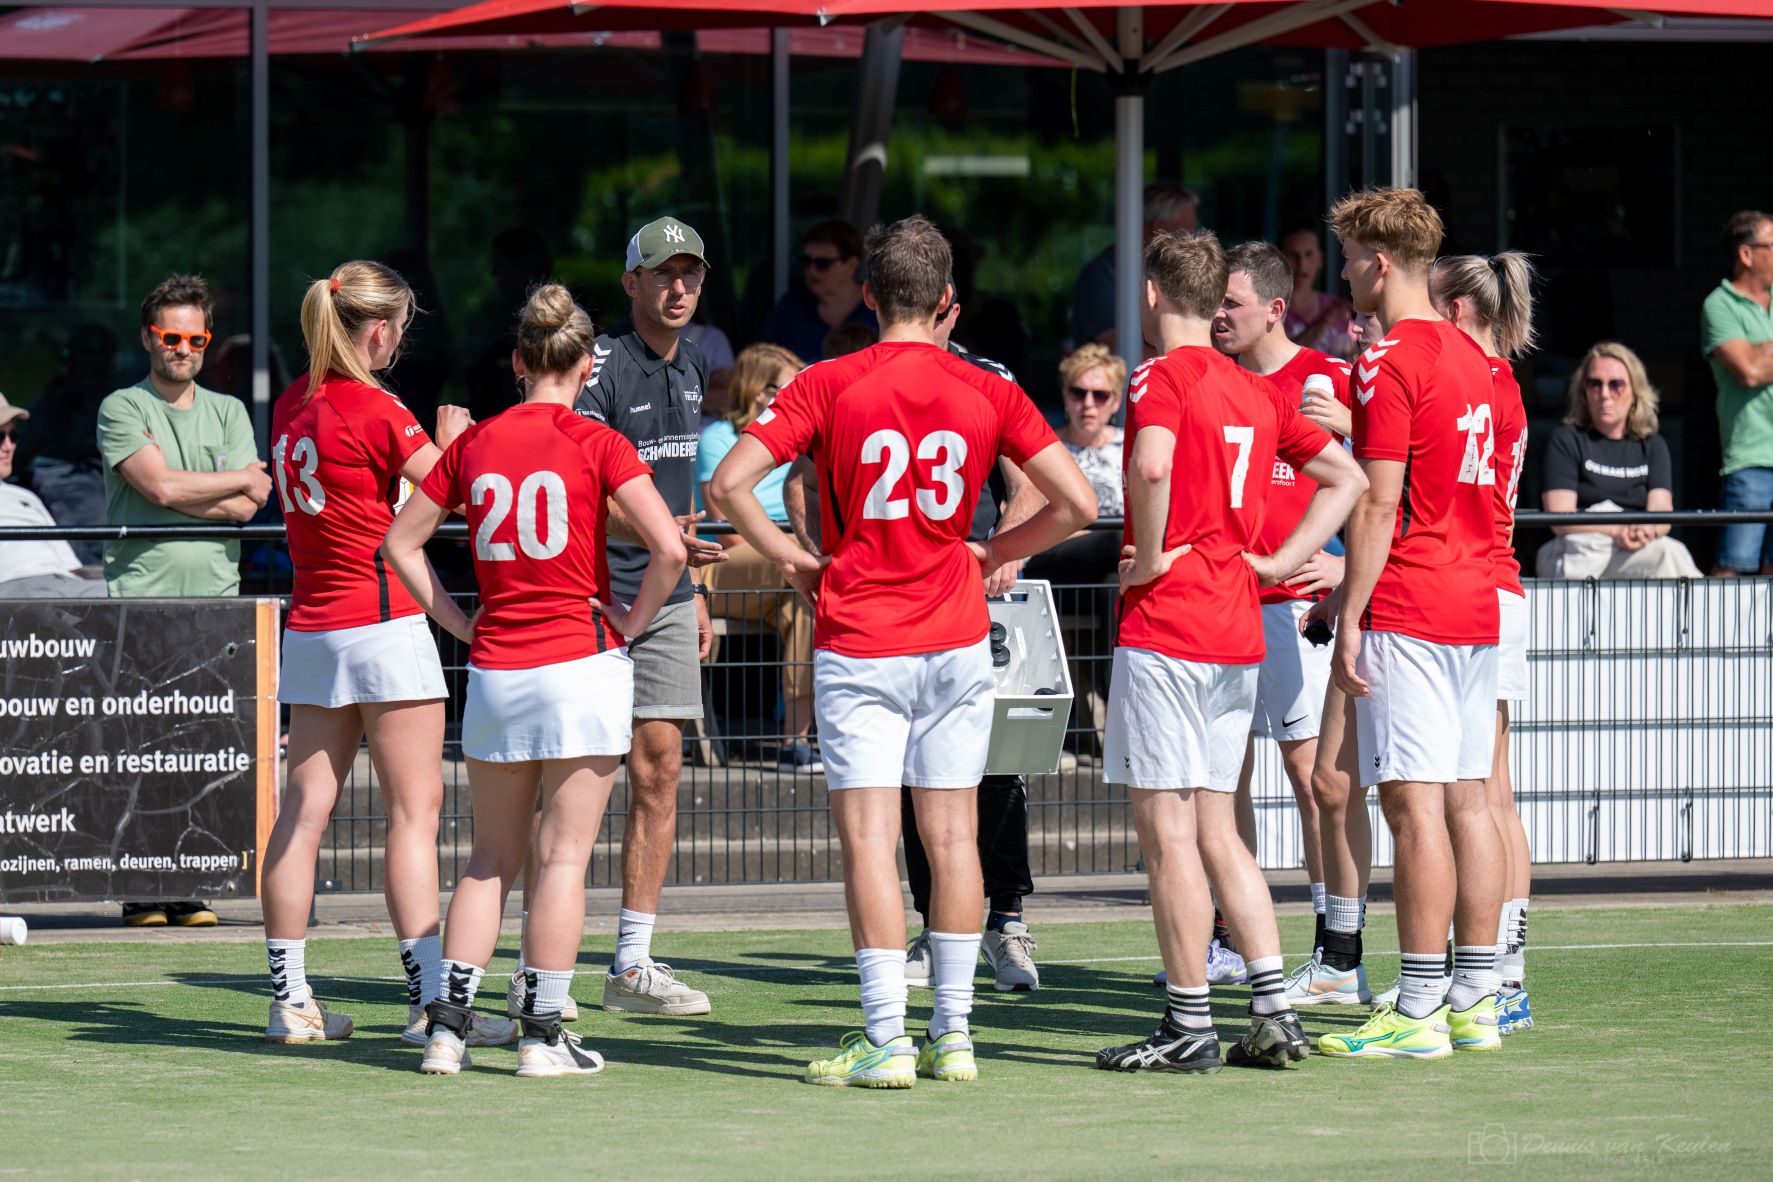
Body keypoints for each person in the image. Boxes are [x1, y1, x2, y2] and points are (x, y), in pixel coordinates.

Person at [710, 214, 1095, 1088]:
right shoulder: (984, 387)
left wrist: (795, 561)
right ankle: (952, 1034)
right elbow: (1071, 501)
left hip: (860, 637)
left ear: (872, 293)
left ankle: (887, 1035)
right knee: (953, 836)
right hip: (954, 635)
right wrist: (993, 552)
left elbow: (726, 484)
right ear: (948, 302)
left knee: (868, 840)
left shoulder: (828, 381)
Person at [385, 283, 687, 1078]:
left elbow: (400, 543)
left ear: (518, 361)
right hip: (581, 661)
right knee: (562, 862)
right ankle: (542, 1037)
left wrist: (458, 623)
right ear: (588, 366)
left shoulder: (473, 443)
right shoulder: (598, 441)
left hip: (498, 667)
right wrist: (630, 622)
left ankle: (448, 1027)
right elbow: (672, 550)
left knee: (489, 857)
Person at [1094, 230, 1364, 1075]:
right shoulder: (1254, 387)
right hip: (1240, 624)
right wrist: (1285, 562)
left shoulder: (1159, 376)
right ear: (1217, 302)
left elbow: (1148, 461)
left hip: (1170, 623)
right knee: (1217, 827)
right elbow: (1347, 479)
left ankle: (1186, 1022)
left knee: (1169, 832)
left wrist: (1144, 552)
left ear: (1151, 297)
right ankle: (1272, 1008)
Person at [256, 260, 513, 1049]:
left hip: (314, 625)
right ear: (377, 330)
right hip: (383, 619)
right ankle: (432, 1002)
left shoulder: (294, 405)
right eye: (398, 329)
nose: (399, 343)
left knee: (301, 817)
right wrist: (454, 445)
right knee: (415, 815)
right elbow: (462, 493)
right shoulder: (377, 408)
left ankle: (290, 998)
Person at [1312, 187, 1507, 1062]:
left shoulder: (1387, 358)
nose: (1344, 272)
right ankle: (1474, 994)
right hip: (1474, 602)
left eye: (1350, 257)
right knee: (1470, 804)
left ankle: (1421, 1005)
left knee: (1411, 805)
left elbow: (1377, 501)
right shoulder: (1479, 360)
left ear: (1379, 262)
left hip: (1414, 602)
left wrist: (1347, 613)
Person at [565, 215, 723, 1017]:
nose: (678, 287)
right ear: (630, 282)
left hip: (663, 595)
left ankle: (631, 964)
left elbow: (678, 495)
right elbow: (584, 491)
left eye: (690, 274)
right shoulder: (597, 368)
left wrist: (691, 591)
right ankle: (539, 960)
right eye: (663, 273)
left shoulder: (694, 365)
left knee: (660, 769)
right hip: (592, 593)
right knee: (572, 781)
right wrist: (667, 545)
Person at [98, 273, 272, 928]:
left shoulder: (228, 411)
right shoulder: (122, 407)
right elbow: (162, 490)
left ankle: (188, 886)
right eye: (172, 336)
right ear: (149, 337)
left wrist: (202, 488)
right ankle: (142, 889)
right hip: (141, 599)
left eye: (195, 337)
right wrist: (226, 484)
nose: (183, 348)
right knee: (141, 749)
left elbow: (252, 505)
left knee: (201, 745)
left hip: (214, 601)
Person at [1206, 241, 1355, 999]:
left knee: (1310, 775)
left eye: (1229, 302)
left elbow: (1375, 485)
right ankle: (1228, 936)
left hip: (1295, 608)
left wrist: (1343, 568)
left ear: (1274, 308)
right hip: (1226, 600)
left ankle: (1334, 950)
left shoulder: (1327, 380)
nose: (1216, 314)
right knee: (1222, 775)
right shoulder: (1210, 380)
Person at [1428, 252, 1540, 1035]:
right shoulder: (1502, 382)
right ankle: (1501, 971)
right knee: (1489, 793)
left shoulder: (1478, 381)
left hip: (1478, 584)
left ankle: (1494, 972)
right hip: (1495, 585)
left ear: (1460, 308)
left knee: (1481, 795)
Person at [695, 343, 819, 771]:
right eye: (791, 386)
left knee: (806, 600)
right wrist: (792, 550)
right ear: (761, 392)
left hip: (781, 571)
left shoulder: (799, 439)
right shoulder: (718, 438)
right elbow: (724, 531)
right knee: (809, 564)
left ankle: (794, 741)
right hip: (726, 570)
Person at [1535, 342, 1702, 579]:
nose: (1604, 394)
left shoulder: (1653, 445)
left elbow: (1662, 511)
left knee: (1669, 552)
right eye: (1595, 384)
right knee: (1668, 555)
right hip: (1579, 552)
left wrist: (1646, 530)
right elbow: (1560, 517)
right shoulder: (1566, 440)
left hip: (1635, 550)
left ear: (1635, 392)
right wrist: (1618, 529)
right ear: (1583, 391)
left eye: (1616, 385)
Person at [1701, 210, 1773, 577]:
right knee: (1733, 569)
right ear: (1746, 254)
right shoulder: (1719, 304)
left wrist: (1758, 349)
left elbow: (1758, 362)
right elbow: (1748, 371)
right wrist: (1754, 358)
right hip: (1751, 457)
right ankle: (1716, 637)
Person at [18, 323, 115, 565]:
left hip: (116, 491)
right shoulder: (50, 405)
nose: (92, 367)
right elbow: (19, 455)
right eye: (85, 356)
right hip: (65, 495)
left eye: (99, 359)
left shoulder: (125, 404)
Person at [1070, 184, 1199, 351]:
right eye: (1187, 228)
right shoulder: (1103, 274)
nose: (1192, 236)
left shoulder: (1175, 270)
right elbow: (1117, 346)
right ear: (1157, 228)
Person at [0, 393, 104, 598]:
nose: (8, 446)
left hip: (62, 586)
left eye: (13, 436)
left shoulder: (26, 497)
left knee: (144, 597)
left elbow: (71, 568)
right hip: (14, 590)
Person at [760, 220, 878, 363]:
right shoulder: (791, 305)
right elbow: (762, 359)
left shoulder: (879, 309)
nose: (811, 270)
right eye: (806, 261)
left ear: (851, 265)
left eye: (822, 263)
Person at [1280, 225, 1357, 359]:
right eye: (1294, 255)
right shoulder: (1272, 310)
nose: (1302, 264)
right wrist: (1325, 321)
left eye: (1309, 254)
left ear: (1320, 259)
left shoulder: (1339, 307)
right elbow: (1283, 360)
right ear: (1280, 260)